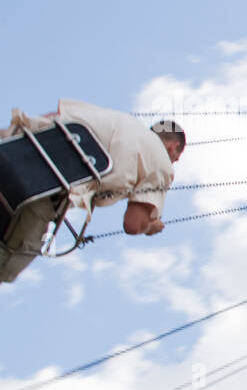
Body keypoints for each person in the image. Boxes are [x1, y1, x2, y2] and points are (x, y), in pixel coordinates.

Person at [0, 100, 185, 283]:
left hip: (12, 148)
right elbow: (133, 224)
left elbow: (52, 116)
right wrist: (150, 225)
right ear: (173, 146)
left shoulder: (115, 118)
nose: (175, 161)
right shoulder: (162, 164)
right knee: (8, 265)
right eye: (177, 157)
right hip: (36, 195)